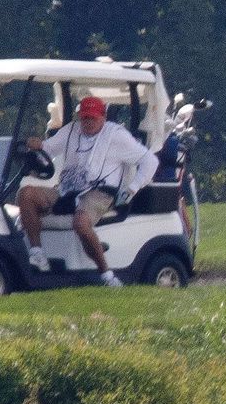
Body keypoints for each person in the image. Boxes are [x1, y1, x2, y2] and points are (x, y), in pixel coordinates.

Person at [17, 95, 159, 286]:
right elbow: (49, 149)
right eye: (85, 118)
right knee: (26, 194)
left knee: (81, 223)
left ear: (103, 117)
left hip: (99, 192)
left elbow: (150, 161)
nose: (88, 122)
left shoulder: (116, 135)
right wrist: (38, 145)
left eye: (93, 118)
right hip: (67, 189)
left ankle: (106, 274)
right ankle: (37, 253)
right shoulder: (71, 131)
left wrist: (133, 187)